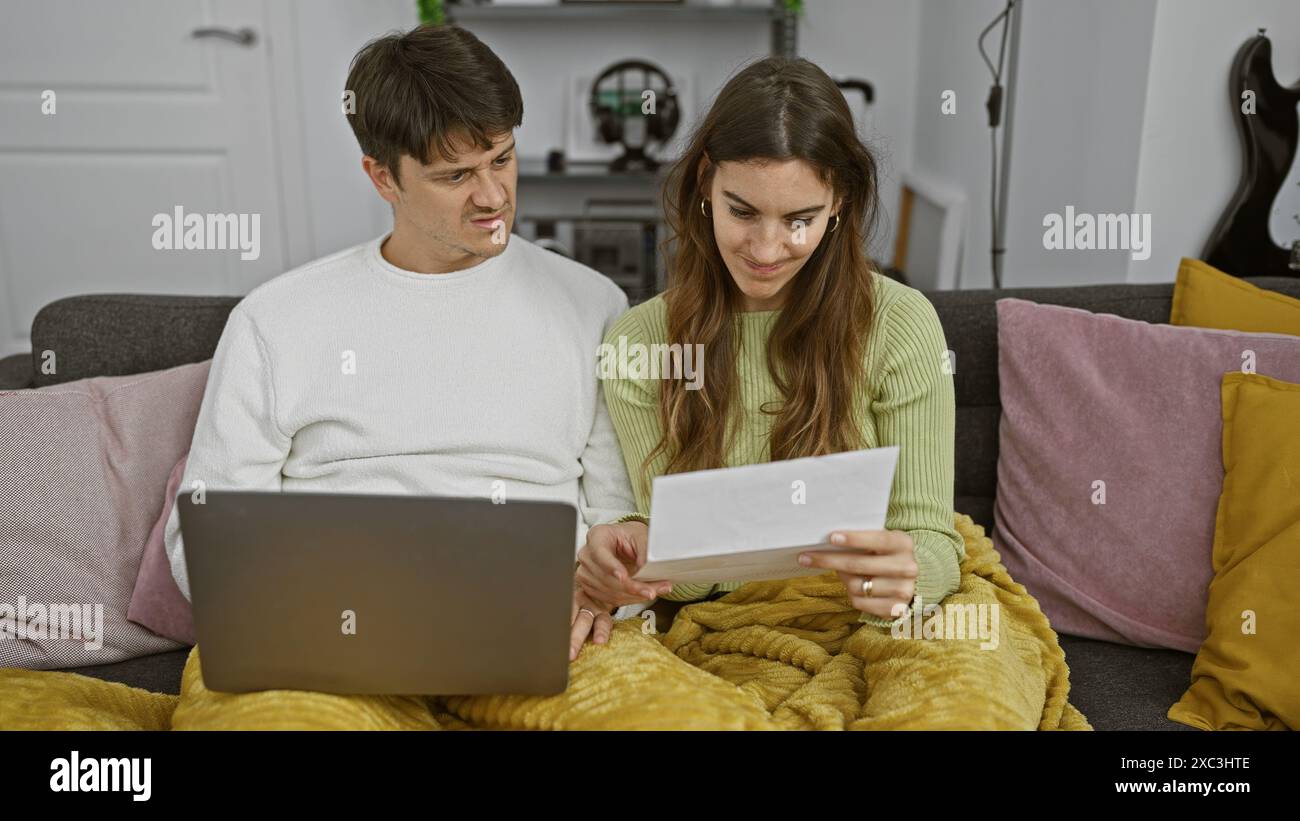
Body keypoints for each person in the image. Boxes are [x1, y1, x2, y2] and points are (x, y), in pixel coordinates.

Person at [161, 24, 671, 662]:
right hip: (332, 637)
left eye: (502, 159)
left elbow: (617, 517)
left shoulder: (593, 305)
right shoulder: (276, 320)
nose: (493, 197)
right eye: (455, 175)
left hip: (546, 633)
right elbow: (205, 541)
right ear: (383, 178)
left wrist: (610, 576)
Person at [576, 57, 965, 629]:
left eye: (799, 219)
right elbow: (689, 576)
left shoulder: (902, 324)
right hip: (719, 629)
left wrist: (907, 576)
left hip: (866, 623)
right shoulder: (640, 343)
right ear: (706, 180)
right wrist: (640, 552)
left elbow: (931, 537)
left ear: (839, 201)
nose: (766, 248)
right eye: (743, 212)